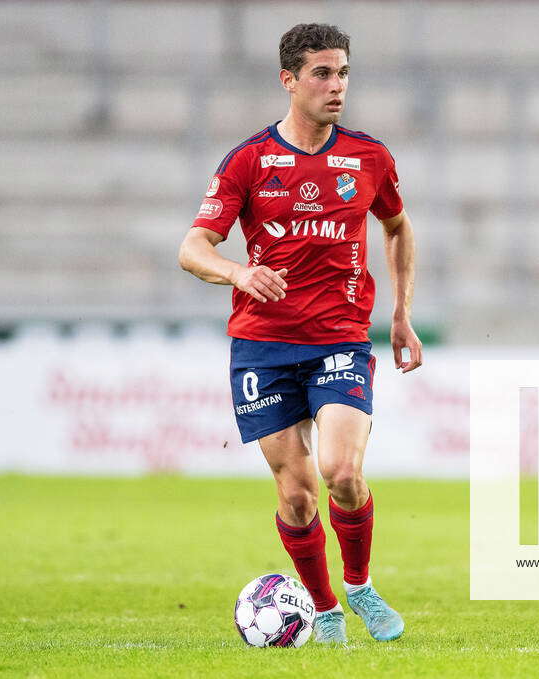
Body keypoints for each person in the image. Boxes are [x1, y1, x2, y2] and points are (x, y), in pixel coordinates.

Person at [179, 23, 421, 643]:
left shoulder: (368, 157)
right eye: (322, 73)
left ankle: (361, 587)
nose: (336, 86)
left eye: (342, 72)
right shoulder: (249, 160)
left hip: (339, 337)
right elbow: (193, 247)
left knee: (342, 471)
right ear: (288, 80)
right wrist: (239, 270)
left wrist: (399, 313)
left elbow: (397, 227)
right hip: (261, 344)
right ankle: (325, 605)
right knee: (297, 497)